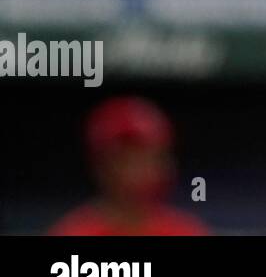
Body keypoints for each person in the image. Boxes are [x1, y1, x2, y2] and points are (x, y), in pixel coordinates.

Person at [49, 97, 208, 236]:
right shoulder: (74, 232)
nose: (140, 169)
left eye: (149, 156)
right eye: (126, 159)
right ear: (101, 166)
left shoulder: (187, 231)